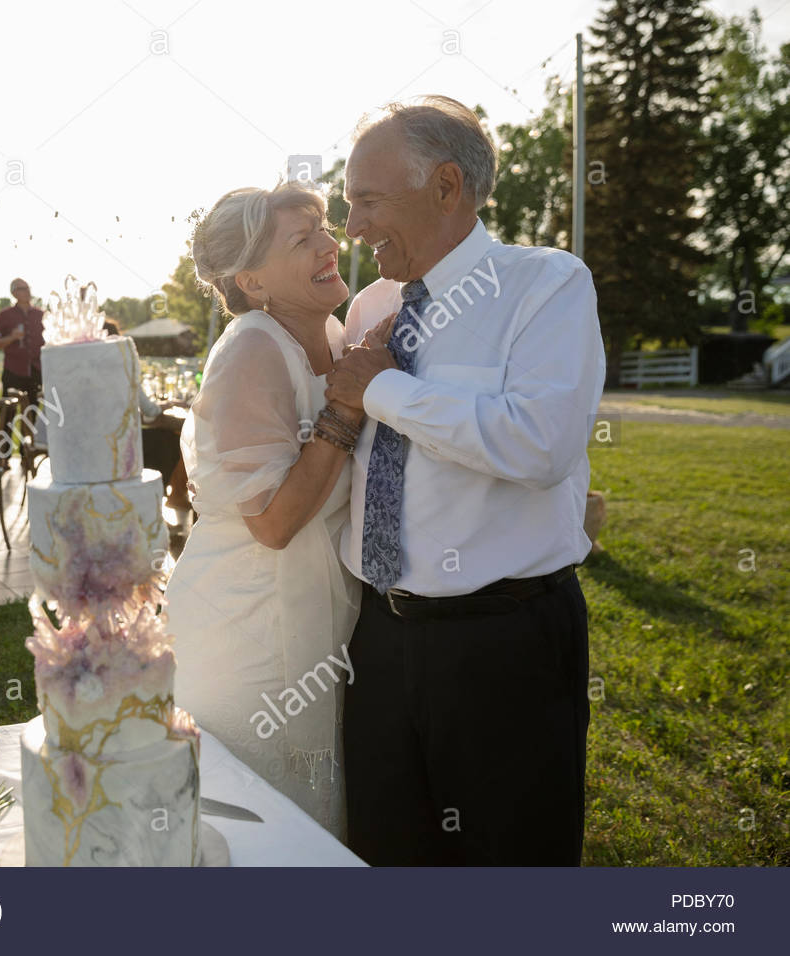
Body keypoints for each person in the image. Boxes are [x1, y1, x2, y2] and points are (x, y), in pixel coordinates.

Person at [327, 95, 604, 865]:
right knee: (387, 858)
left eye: (367, 202)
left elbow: (540, 444)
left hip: (504, 646)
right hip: (377, 639)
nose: (352, 229)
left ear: (446, 187)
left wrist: (381, 389)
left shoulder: (547, 286)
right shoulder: (371, 307)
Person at [163, 182, 364, 839]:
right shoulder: (252, 349)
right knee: (259, 818)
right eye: (302, 240)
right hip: (246, 627)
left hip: (307, 616)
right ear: (251, 280)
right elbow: (274, 523)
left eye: (325, 228)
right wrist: (346, 407)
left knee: (303, 811)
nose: (330, 245)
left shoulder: (335, 335)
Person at [0, 277, 44, 399]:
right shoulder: (5, 315)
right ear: (14, 293)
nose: (27, 291)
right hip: (13, 371)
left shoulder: (41, 315)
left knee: (32, 414)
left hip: (36, 372)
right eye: (22, 289)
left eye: (28, 288)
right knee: (8, 413)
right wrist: (12, 337)